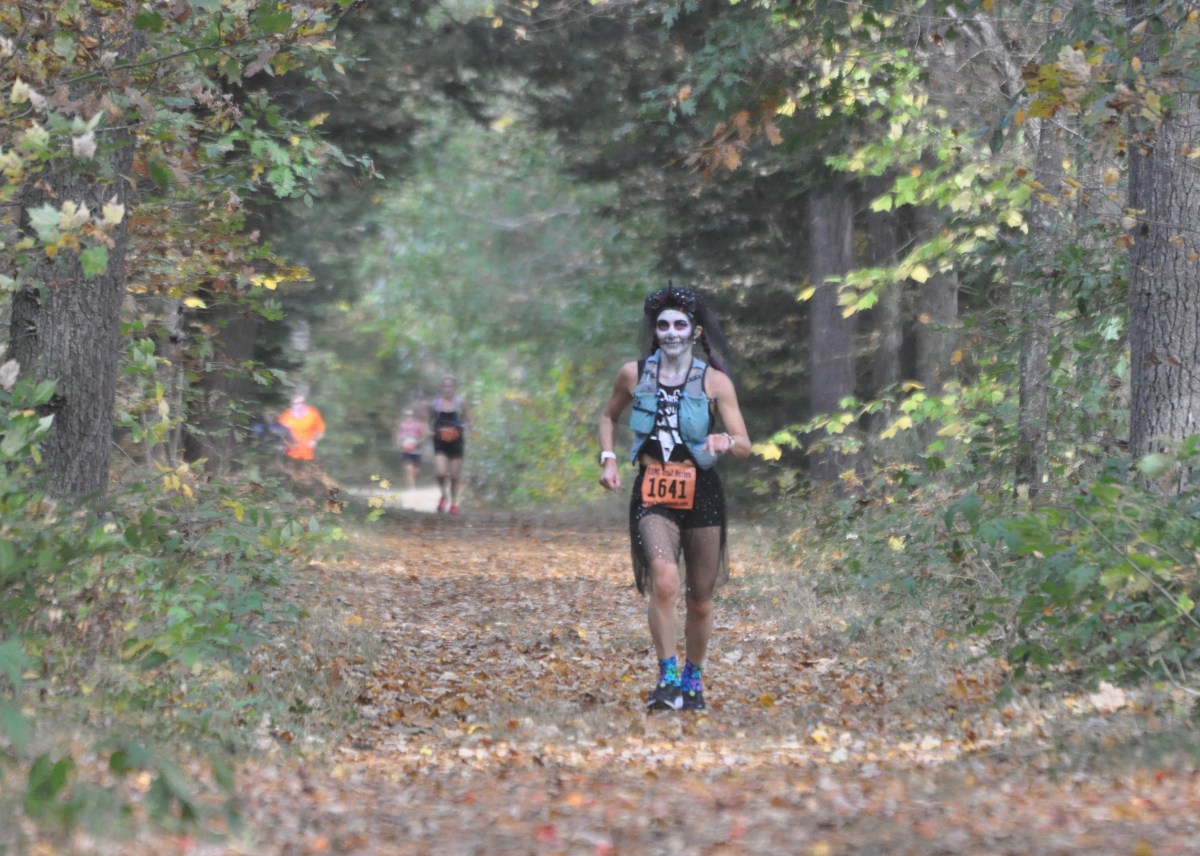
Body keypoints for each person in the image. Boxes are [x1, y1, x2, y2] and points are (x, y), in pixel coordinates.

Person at [598, 284, 750, 712]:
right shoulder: (634, 374)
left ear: (695, 331)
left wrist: (724, 441)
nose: (671, 332)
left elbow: (745, 444)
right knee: (665, 582)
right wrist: (608, 459)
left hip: (701, 491)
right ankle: (667, 679)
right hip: (652, 491)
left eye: (680, 324)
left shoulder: (715, 381)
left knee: (700, 599)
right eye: (663, 324)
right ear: (656, 330)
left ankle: (693, 680)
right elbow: (608, 417)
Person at [430, 375, 470, 514]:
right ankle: (443, 495)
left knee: (454, 476)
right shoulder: (435, 404)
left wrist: (462, 426)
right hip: (440, 441)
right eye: (445, 386)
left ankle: (453, 503)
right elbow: (426, 420)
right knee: (441, 473)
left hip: (456, 442)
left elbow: (469, 419)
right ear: (442, 388)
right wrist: (429, 430)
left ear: (454, 388)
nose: (447, 389)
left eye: (450, 386)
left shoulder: (460, 403)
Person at [277, 393, 326, 462]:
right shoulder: (286, 416)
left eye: (301, 403)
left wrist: (314, 440)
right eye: (296, 403)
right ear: (292, 405)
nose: (299, 405)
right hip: (288, 455)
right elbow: (278, 433)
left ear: (305, 403)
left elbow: (321, 431)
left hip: (306, 455)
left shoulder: (313, 414)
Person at [394, 407, 428, 490]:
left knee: (416, 471)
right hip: (405, 450)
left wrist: (416, 443)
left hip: (416, 450)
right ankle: (412, 488)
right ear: (405, 416)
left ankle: (412, 479)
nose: (409, 417)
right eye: (407, 416)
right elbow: (397, 435)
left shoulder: (418, 425)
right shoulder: (402, 425)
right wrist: (399, 443)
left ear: (413, 416)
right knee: (409, 469)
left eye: (411, 415)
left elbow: (424, 436)